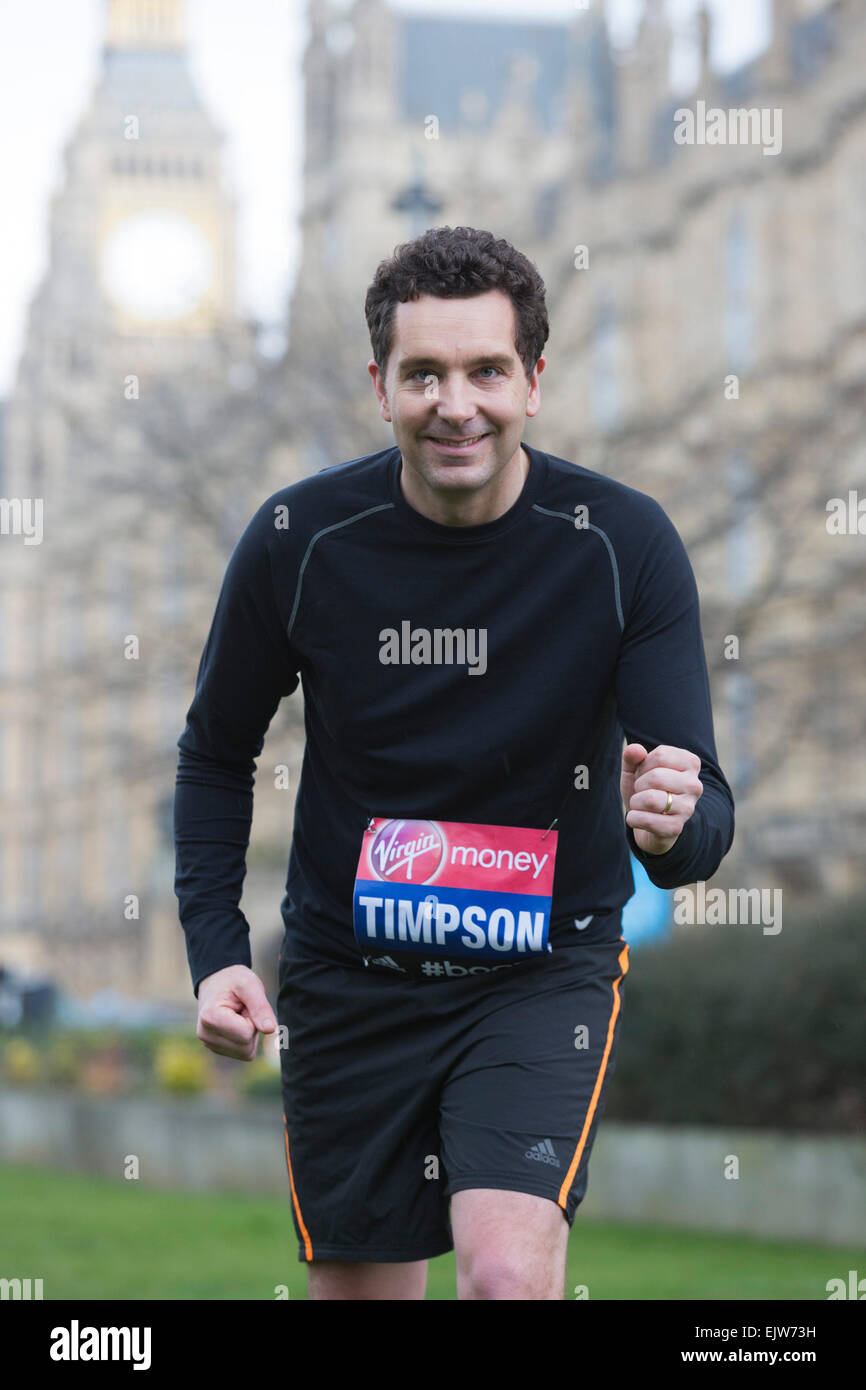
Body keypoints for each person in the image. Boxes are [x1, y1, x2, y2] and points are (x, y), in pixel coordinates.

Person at [174, 225, 734, 1300]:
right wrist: (216, 951)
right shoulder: (299, 539)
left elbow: (695, 826)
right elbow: (214, 752)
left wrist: (669, 821)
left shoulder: (623, 544)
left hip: (539, 973)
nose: (455, 403)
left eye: (485, 370)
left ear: (533, 380)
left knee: (504, 1281)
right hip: (349, 976)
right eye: (423, 373)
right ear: (379, 386)